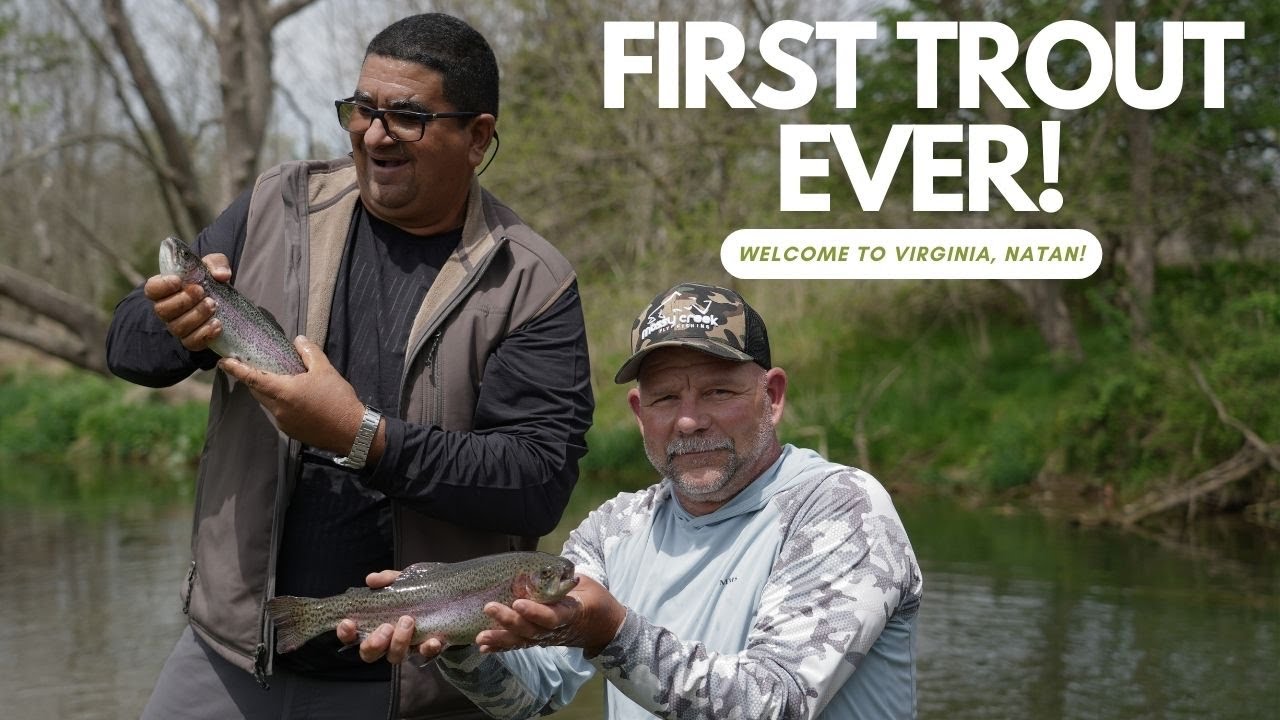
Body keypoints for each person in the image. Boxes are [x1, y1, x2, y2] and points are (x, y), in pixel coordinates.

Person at [105, 12, 593, 720]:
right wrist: (174, 328)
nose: (374, 132)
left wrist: (362, 437)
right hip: (232, 654)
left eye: (407, 116)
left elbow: (534, 480)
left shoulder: (529, 280)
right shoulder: (281, 202)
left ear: (479, 136)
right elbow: (128, 351)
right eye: (362, 109)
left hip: (415, 688)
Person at [347, 282, 924, 718]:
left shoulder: (841, 508)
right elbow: (531, 699)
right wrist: (453, 636)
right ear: (638, 413)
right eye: (666, 397)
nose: (690, 420)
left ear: (771, 397)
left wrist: (610, 633)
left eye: (719, 391)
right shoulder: (614, 529)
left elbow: (773, 703)